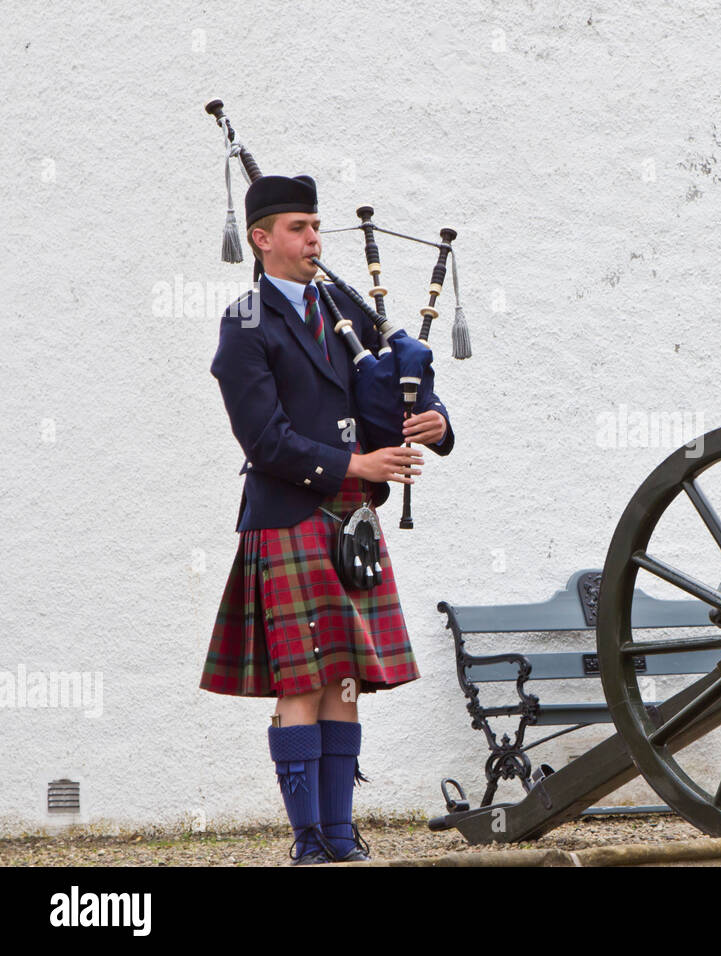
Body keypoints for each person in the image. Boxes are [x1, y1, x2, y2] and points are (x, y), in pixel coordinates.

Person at [200, 173, 454, 864]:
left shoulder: (345, 306)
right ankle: (307, 837)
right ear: (262, 240)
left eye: (316, 226)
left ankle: (341, 835)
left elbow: (400, 379)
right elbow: (265, 440)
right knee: (301, 683)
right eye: (298, 228)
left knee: (344, 679)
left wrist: (432, 422)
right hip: (290, 515)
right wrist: (357, 468)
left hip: (351, 522)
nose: (315, 238)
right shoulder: (246, 323)